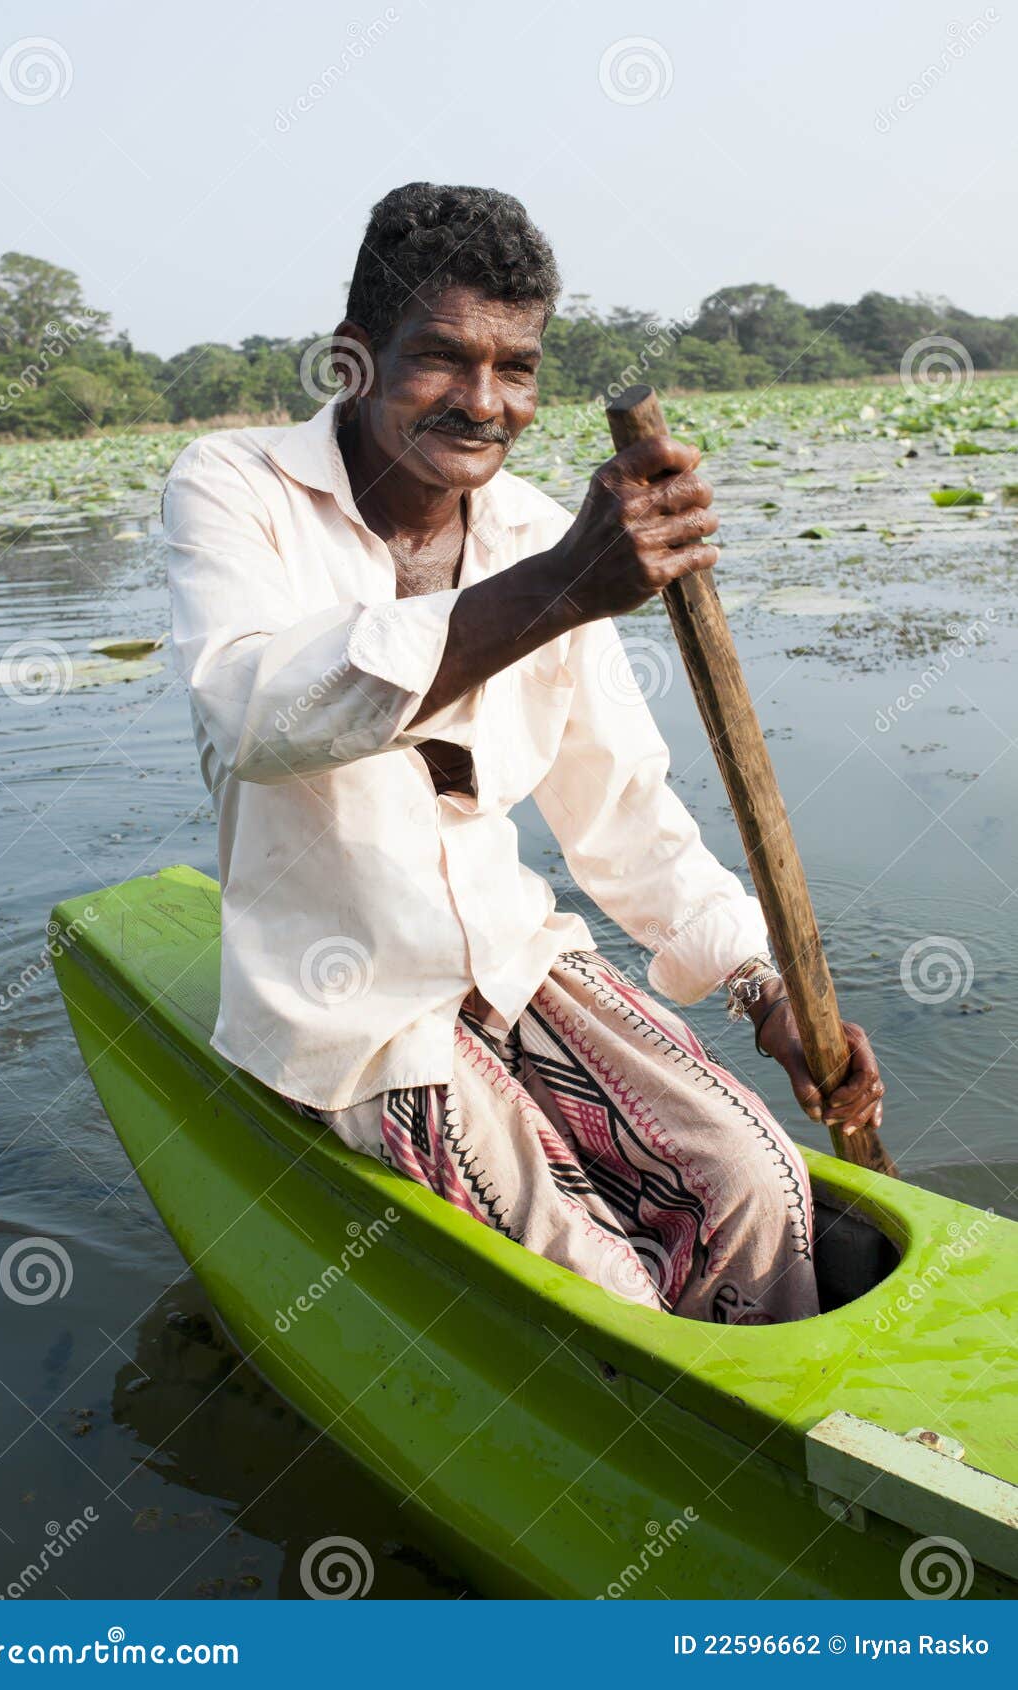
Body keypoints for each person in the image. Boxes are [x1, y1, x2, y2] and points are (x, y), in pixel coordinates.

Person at [162, 181, 884, 1324]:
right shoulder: (236, 488)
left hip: (515, 958)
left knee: (759, 1191)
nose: (484, 402)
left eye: (517, 367)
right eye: (443, 358)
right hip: (352, 1004)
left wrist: (764, 988)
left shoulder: (537, 525)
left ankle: (786, 1430)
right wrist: (558, 590)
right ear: (354, 360)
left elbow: (624, 809)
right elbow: (254, 717)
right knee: (604, 1288)